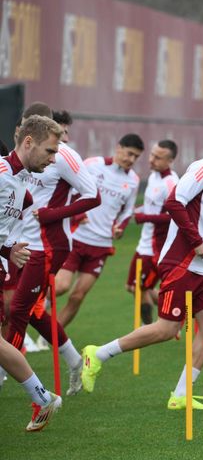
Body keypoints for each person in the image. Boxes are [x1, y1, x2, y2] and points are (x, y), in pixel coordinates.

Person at [80, 126, 203, 411]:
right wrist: (198, 240)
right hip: (181, 259)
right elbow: (174, 202)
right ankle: (98, 354)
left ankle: (181, 394)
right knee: (166, 329)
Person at [1, 103, 101, 397]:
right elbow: (23, 195)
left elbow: (93, 196)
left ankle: (16, 378)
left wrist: (50, 214)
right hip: (19, 243)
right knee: (28, 310)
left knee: (19, 308)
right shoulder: (18, 161)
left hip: (46, 244)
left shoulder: (63, 156)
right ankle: (75, 361)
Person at [0, 115, 65, 430]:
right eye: (50, 151)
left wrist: (9, 247)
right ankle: (41, 396)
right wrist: (7, 248)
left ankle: (41, 396)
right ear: (28, 142)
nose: (53, 160)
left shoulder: (22, 178)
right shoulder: (2, 173)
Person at [55, 134, 144, 327]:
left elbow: (128, 210)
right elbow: (69, 190)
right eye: (129, 153)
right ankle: (29, 313)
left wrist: (120, 227)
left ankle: (51, 335)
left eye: (136, 157)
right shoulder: (93, 164)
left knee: (78, 296)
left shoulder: (134, 180)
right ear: (118, 147)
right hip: (76, 237)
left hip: (102, 245)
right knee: (60, 287)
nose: (131, 159)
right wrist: (77, 214)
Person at [126, 140, 179, 325]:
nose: (151, 160)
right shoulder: (154, 176)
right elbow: (151, 207)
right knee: (132, 287)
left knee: (142, 288)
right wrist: (134, 212)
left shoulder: (172, 183)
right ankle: (176, 311)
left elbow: (175, 217)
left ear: (170, 160)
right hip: (144, 243)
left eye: (158, 157)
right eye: (152, 155)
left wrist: (145, 218)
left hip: (157, 246)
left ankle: (151, 328)